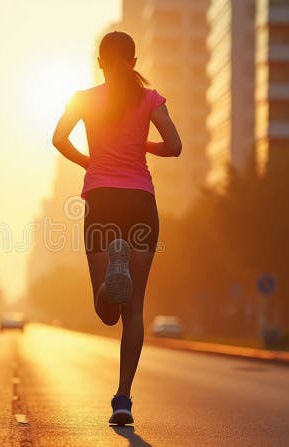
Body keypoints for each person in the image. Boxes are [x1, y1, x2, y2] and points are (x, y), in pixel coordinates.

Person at [51, 30, 182, 426]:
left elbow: (58, 138)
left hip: (102, 201)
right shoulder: (150, 99)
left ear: (101, 62)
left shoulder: (84, 98)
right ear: (135, 62)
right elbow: (174, 146)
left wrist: (89, 162)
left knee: (106, 311)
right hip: (141, 204)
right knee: (135, 310)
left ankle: (111, 279)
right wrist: (145, 147)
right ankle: (123, 398)